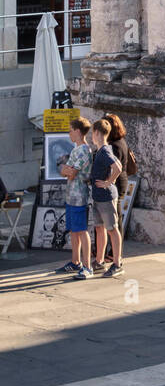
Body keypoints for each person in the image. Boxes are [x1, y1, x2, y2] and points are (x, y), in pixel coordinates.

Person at [56, 117, 92, 279]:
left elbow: (71, 173)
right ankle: (75, 261)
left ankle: (87, 266)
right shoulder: (76, 149)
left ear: (77, 131)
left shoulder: (84, 150)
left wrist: (65, 169)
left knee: (81, 230)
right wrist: (65, 169)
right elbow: (65, 170)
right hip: (71, 195)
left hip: (79, 196)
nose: (69, 133)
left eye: (70, 130)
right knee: (73, 230)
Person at [90, 118, 124, 277]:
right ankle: (99, 261)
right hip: (98, 196)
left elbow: (118, 167)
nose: (92, 136)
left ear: (96, 133)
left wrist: (109, 182)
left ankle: (117, 263)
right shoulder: (102, 150)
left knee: (112, 228)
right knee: (100, 228)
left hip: (106, 196)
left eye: (92, 133)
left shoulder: (104, 151)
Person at [100, 112, 130, 264]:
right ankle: (111, 251)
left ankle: (114, 253)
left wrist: (107, 182)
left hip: (116, 183)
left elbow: (114, 167)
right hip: (122, 180)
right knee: (115, 217)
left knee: (115, 219)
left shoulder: (114, 145)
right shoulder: (121, 141)